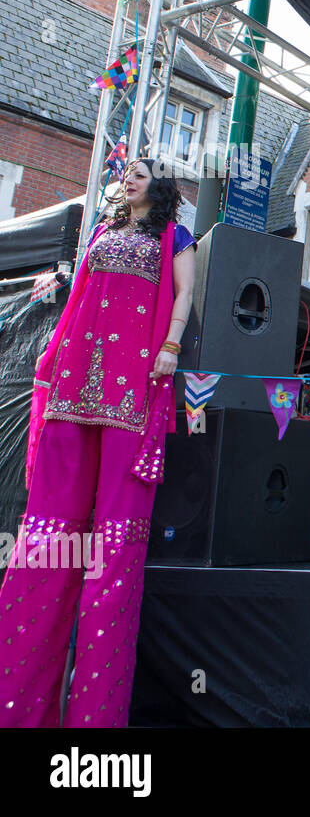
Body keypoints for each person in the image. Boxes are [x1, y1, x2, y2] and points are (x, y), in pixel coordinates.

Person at [0, 157, 196, 727]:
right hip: (73, 386)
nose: (130, 177)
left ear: (160, 186)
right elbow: (82, 295)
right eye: (127, 171)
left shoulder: (174, 235)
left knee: (113, 550)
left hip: (132, 389)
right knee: (46, 542)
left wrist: (171, 348)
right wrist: (54, 350)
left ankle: (93, 726)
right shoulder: (104, 231)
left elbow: (183, 295)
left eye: (143, 172)